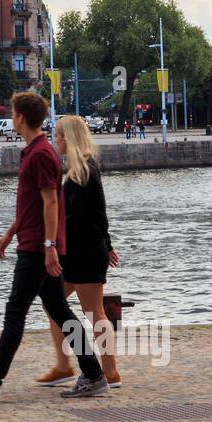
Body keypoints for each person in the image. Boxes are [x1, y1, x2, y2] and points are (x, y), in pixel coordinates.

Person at [0, 92, 108, 402]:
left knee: (15, 311)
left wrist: (49, 246)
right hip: (35, 242)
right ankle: (93, 374)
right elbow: (35, 205)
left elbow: (51, 202)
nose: (12, 117)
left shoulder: (40, 154)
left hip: (37, 247)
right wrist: (10, 233)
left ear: (21, 117)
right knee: (61, 312)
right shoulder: (37, 151)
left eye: (13, 113)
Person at [36, 115, 122, 388]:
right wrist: (106, 245)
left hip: (82, 252)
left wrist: (56, 245)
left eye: (58, 135)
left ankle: (109, 372)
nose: (55, 140)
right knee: (55, 303)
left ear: (68, 138)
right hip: (81, 251)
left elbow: (86, 217)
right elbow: (100, 213)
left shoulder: (83, 171)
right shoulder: (82, 169)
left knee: (94, 312)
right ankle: (65, 365)